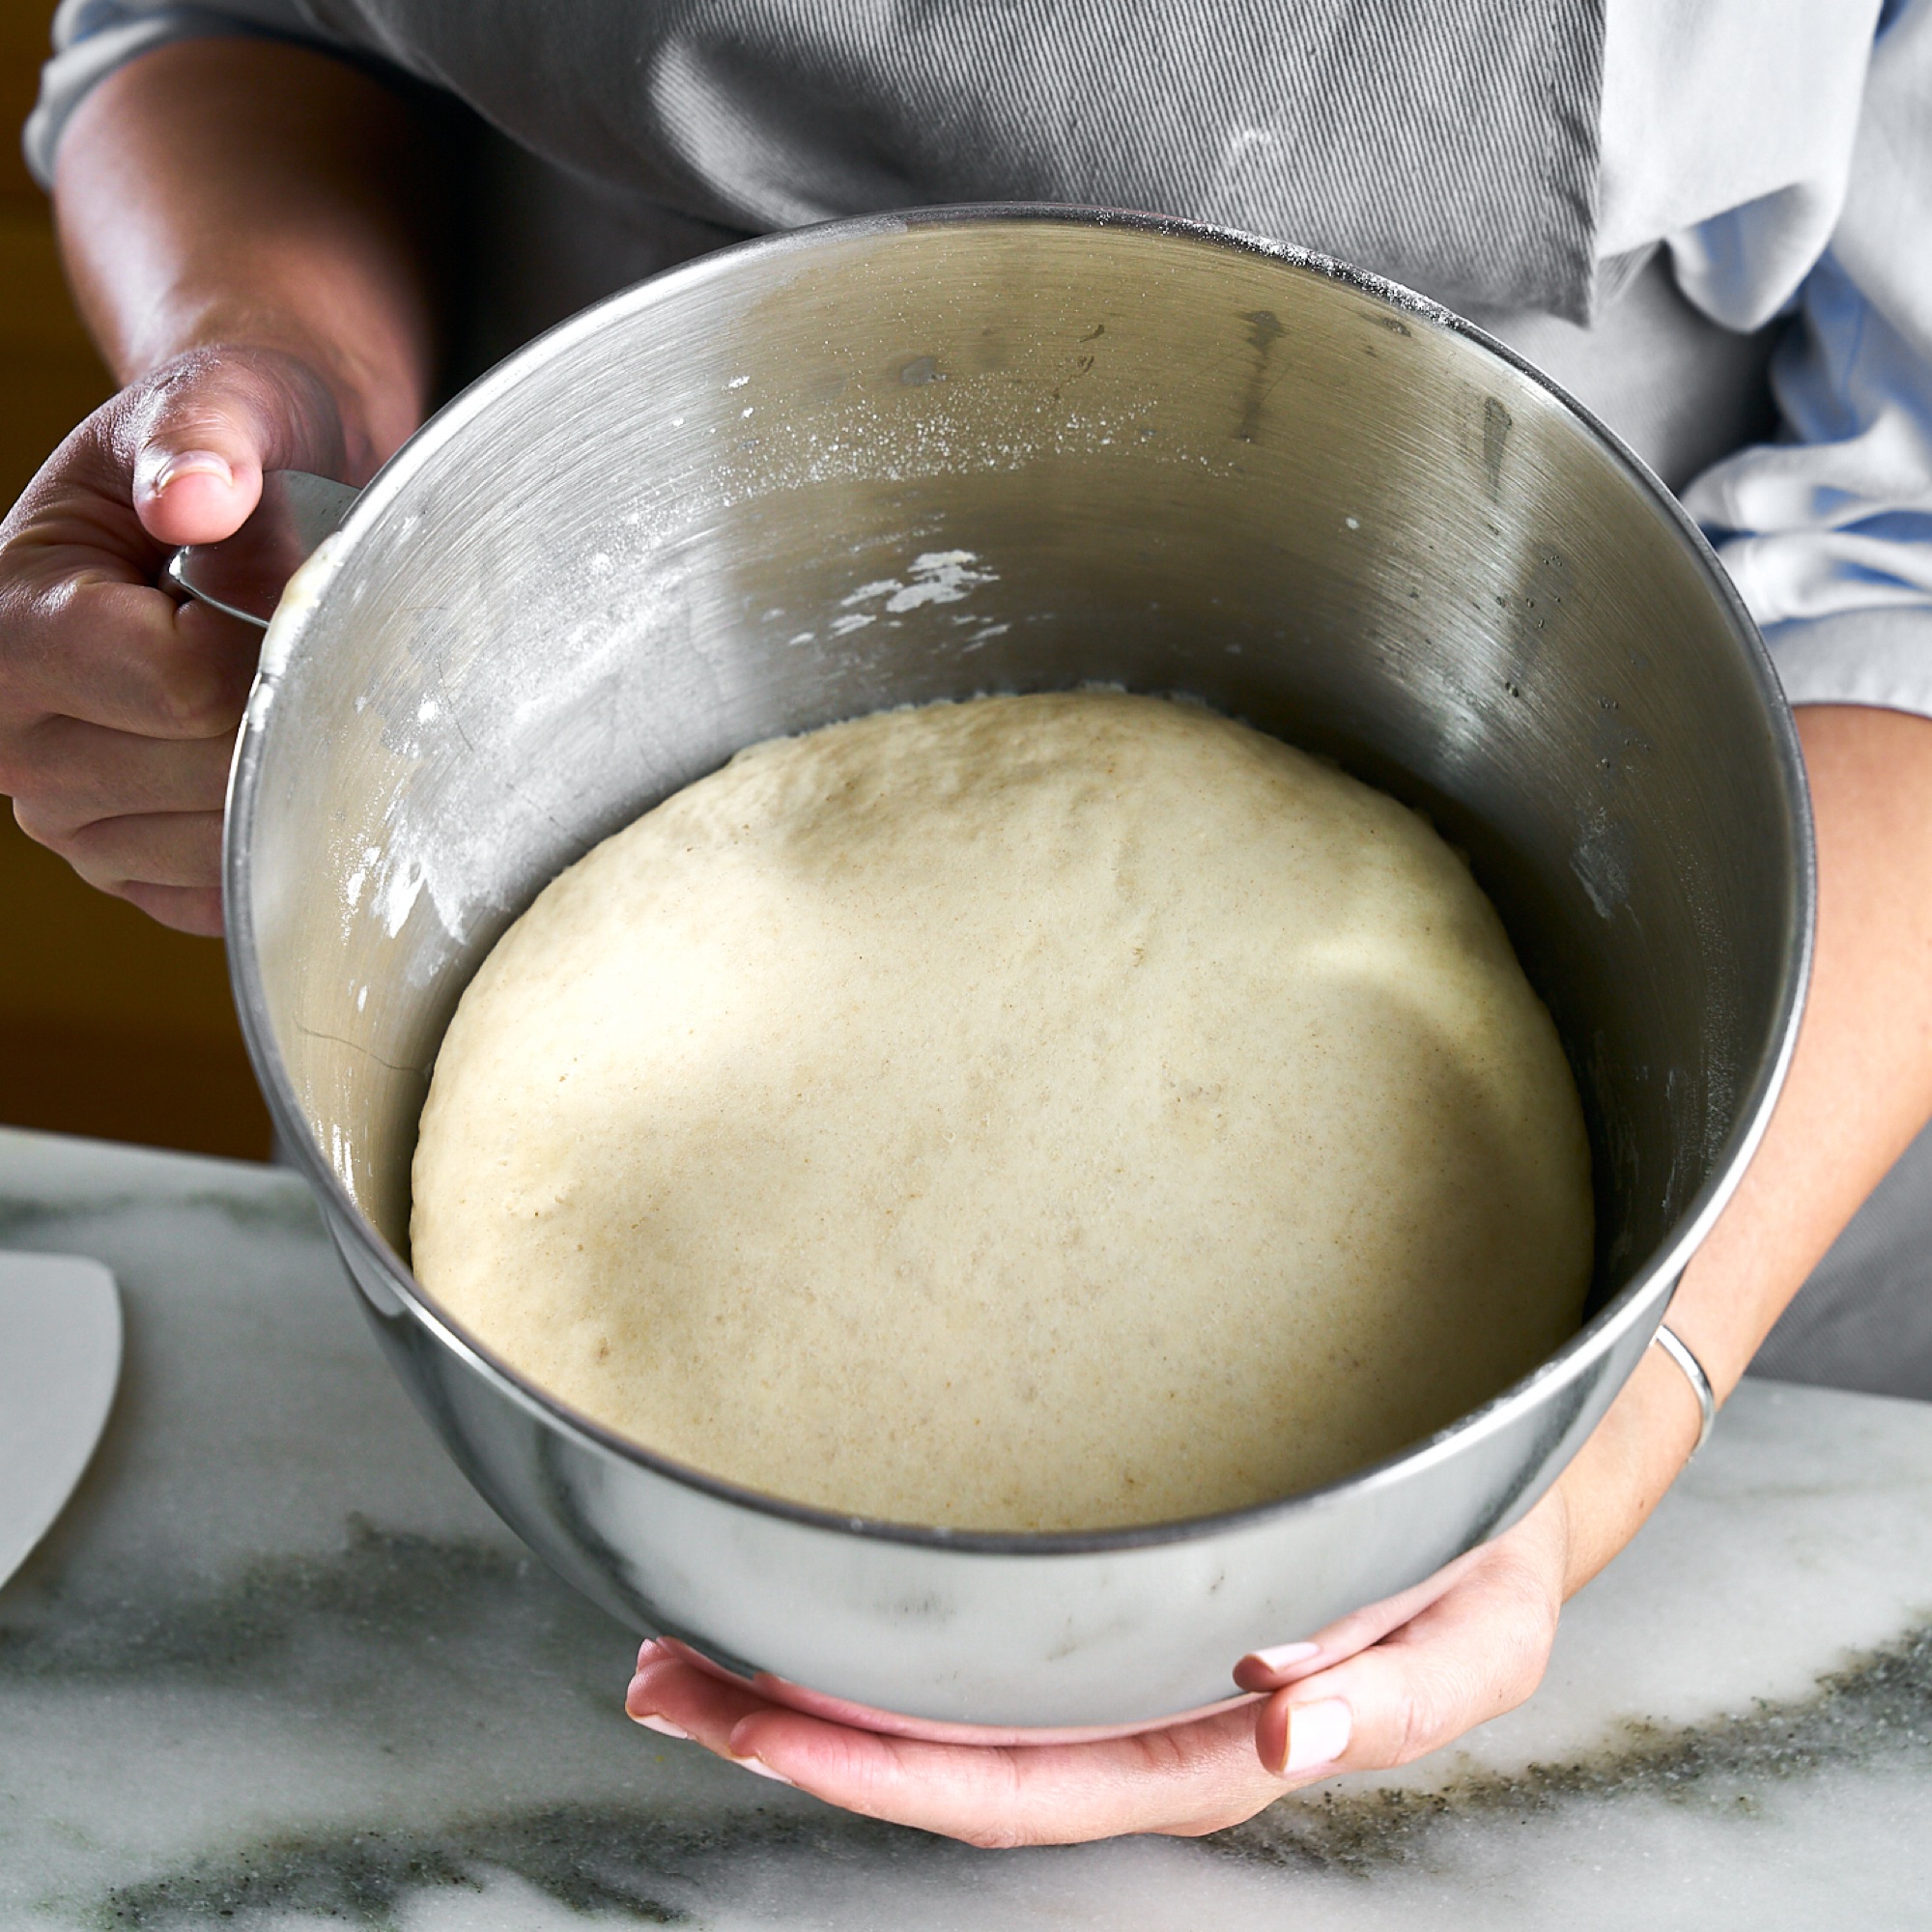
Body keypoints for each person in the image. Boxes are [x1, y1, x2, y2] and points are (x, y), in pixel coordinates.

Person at [2, 0, 1928, 1848]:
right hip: (557, 611)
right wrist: (273, 392)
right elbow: (231, 14)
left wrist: (1603, 1440)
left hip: (1721, 980)